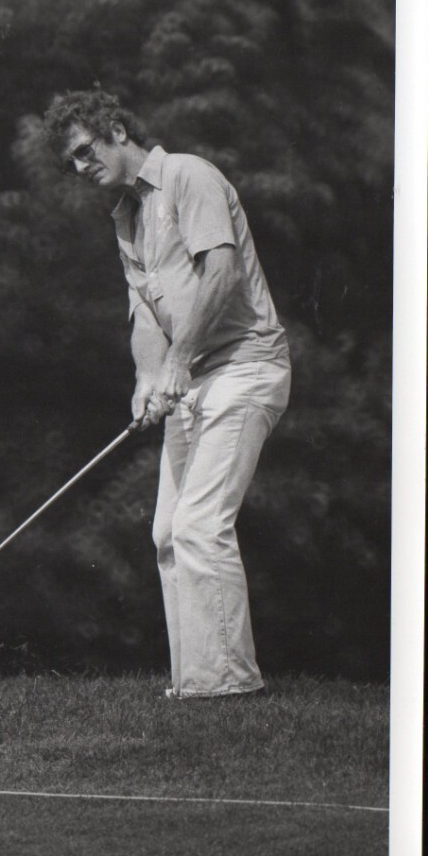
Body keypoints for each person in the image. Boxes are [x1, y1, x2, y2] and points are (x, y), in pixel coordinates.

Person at [43, 88, 291, 699]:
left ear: (117, 130)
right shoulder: (126, 217)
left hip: (245, 366)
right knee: (167, 534)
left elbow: (223, 273)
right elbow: (147, 316)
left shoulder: (188, 175)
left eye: (84, 150)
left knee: (202, 524)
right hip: (193, 379)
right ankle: (194, 683)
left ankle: (230, 684)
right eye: (71, 161)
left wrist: (179, 362)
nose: (80, 167)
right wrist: (147, 379)